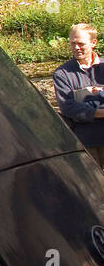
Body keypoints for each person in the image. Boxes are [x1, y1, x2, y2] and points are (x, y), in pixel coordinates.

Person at [52, 22, 104, 166]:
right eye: (72, 43)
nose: (76, 47)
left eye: (80, 43)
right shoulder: (63, 74)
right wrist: (100, 112)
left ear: (93, 42)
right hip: (86, 143)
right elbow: (68, 107)